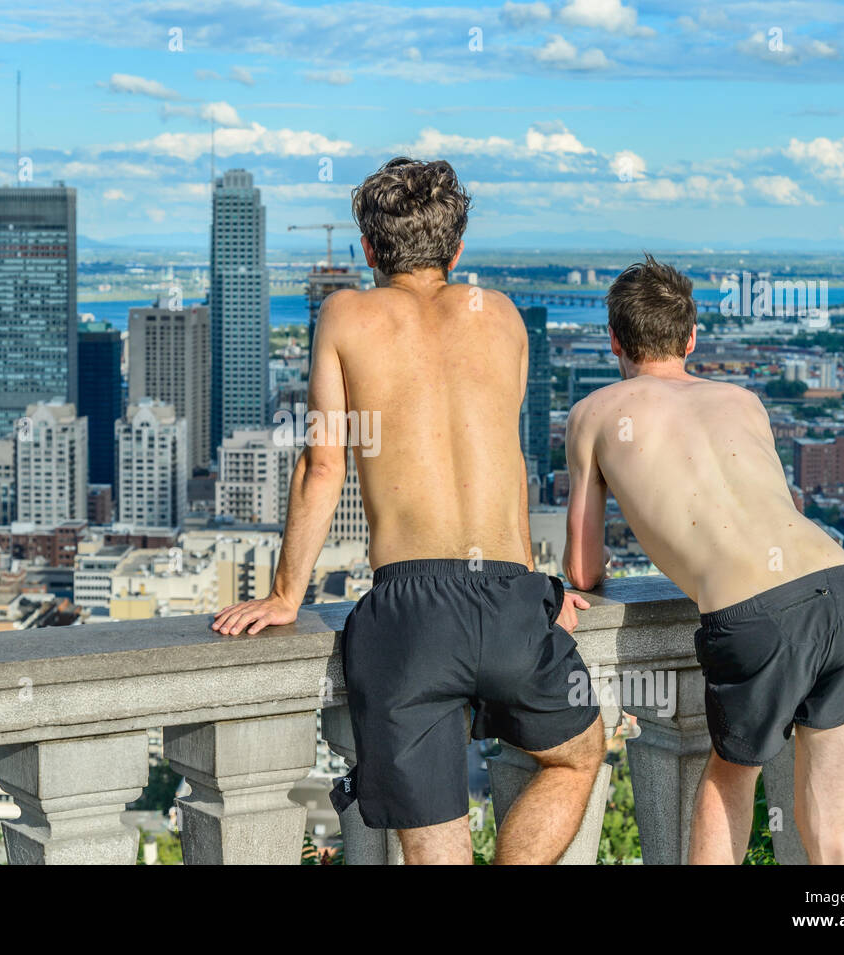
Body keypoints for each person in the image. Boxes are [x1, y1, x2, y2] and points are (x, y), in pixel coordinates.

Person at [212, 157, 604, 865]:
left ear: (368, 250)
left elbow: (324, 463)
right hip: (510, 597)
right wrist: (539, 587)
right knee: (580, 755)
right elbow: (506, 461)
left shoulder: (345, 313)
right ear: (457, 249)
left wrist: (284, 593)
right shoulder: (504, 315)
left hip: (410, 614)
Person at [563, 254, 844, 864]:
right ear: (690, 337)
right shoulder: (743, 399)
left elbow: (583, 570)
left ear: (613, 340)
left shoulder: (596, 414)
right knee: (839, 840)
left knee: (730, 779)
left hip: (758, 616)